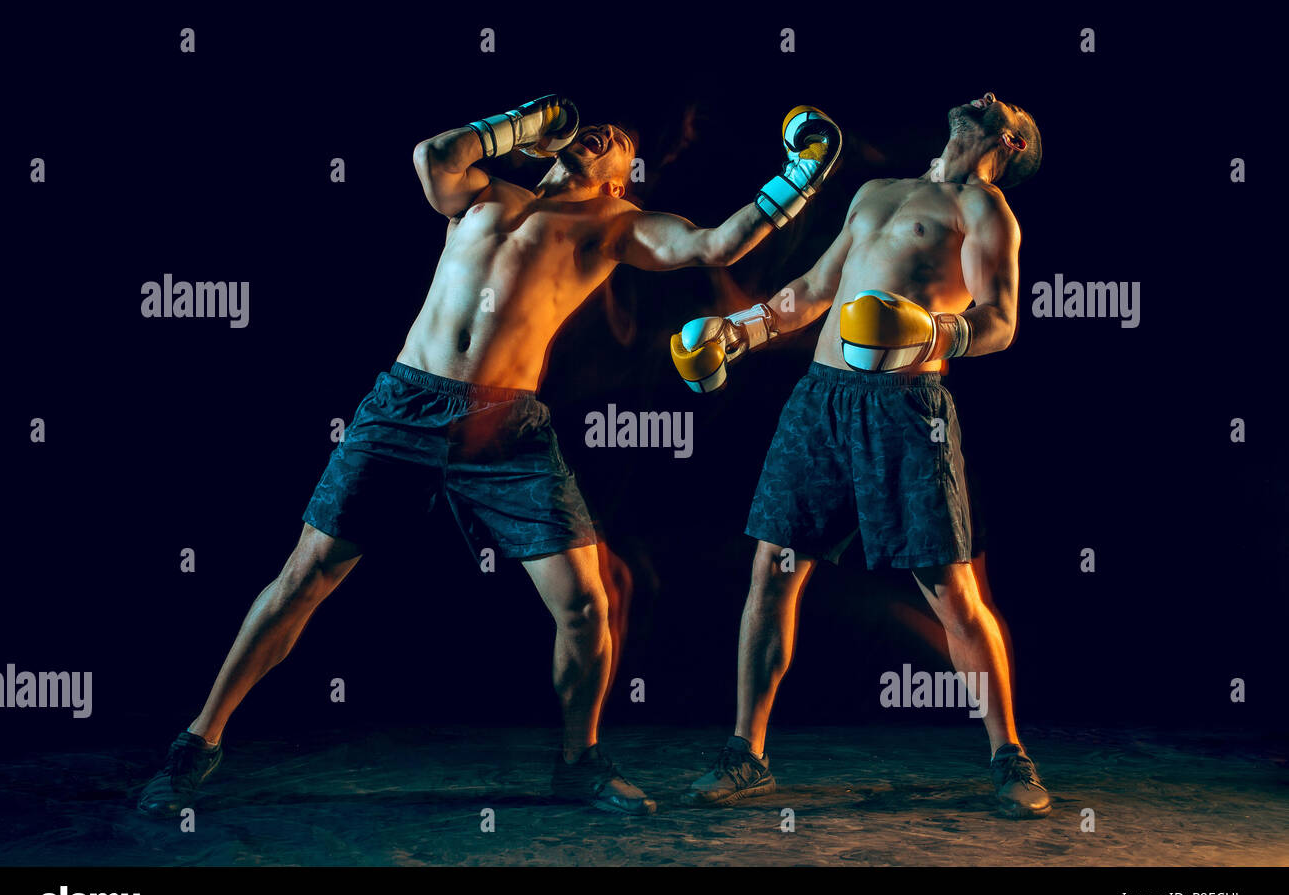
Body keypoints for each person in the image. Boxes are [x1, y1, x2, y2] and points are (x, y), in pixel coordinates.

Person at [139, 94, 841, 817]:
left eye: (619, 141)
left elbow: (716, 245)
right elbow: (431, 157)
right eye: (596, 125)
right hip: (405, 409)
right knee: (304, 575)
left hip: (508, 432)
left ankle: (580, 762)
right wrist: (532, 122)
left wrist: (801, 176)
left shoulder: (617, 226)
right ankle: (197, 743)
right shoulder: (482, 194)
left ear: (626, 175)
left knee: (585, 605)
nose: (604, 134)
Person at [673, 91, 1051, 818]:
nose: (990, 95)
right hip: (819, 400)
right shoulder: (877, 192)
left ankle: (1010, 757)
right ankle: (745, 755)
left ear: (1008, 142)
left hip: (907, 411)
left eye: (1007, 108)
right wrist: (739, 331)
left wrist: (928, 334)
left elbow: (1000, 321)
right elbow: (813, 291)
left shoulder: (984, 212)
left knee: (950, 592)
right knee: (772, 573)